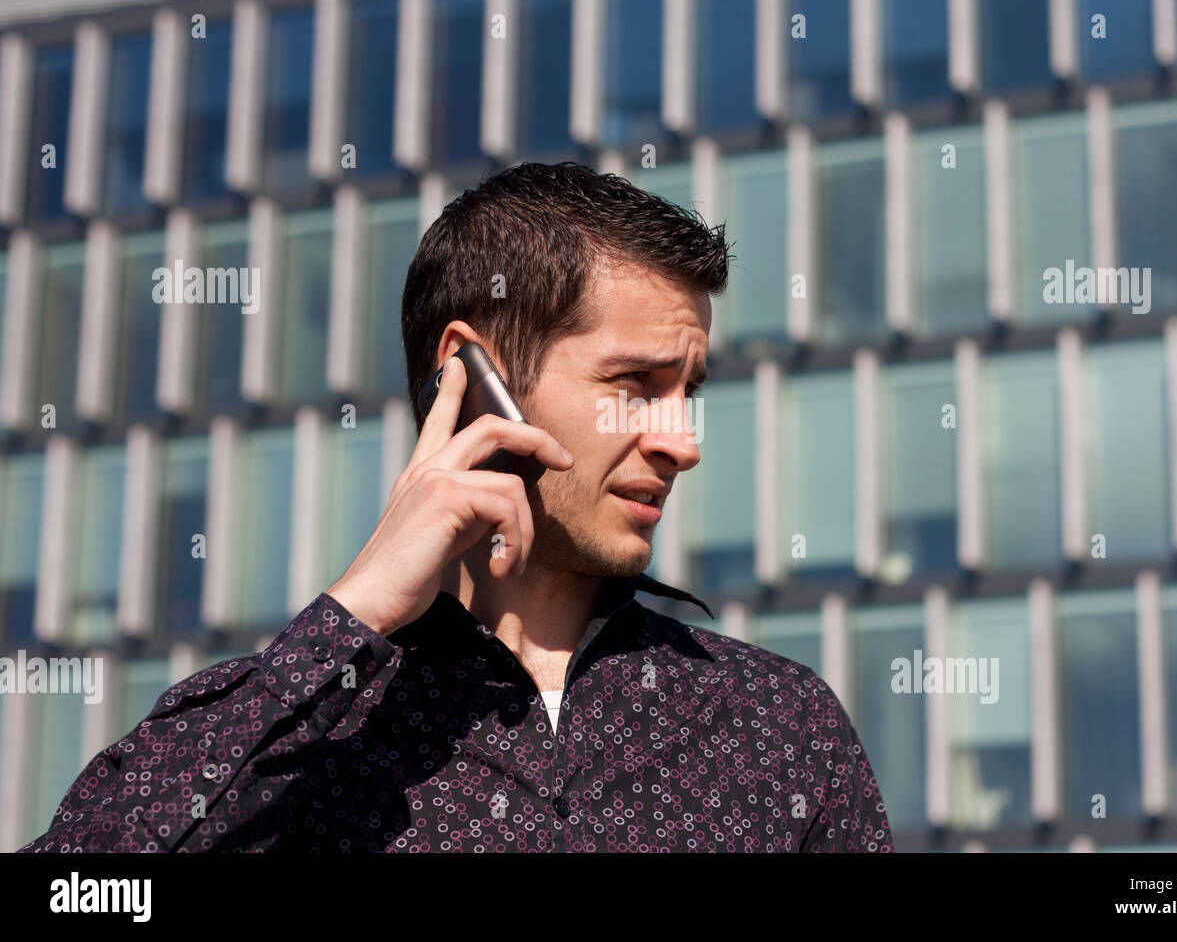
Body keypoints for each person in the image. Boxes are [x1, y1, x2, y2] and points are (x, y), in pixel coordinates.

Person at [20, 162, 892, 852]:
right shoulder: (298, 731)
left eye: (688, 391)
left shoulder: (777, 728)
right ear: (475, 379)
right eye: (635, 383)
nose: (682, 441)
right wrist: (347, 620)